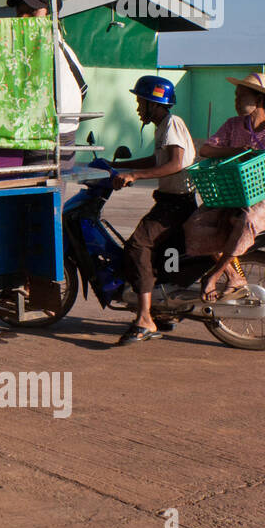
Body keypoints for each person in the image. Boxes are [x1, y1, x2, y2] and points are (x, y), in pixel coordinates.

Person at [182, 72, 265, 302]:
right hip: (234, 189)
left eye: (241, 97)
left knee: (246, 221)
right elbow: (206, 150)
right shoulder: (232, 125)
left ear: (258, 100)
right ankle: (233, 276)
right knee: (196, 224)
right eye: (236, 96)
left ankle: (214, 275)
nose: (236, 102)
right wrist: (237, 151)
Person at [111, 75, 198, 344]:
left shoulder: (171, 124)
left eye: (141, 102)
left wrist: (135, 176)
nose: (138, 107)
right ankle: (163, 312)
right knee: (160, 255)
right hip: (171, 200)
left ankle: (145, 318)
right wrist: (119, 167)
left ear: (155, 104)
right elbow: (156, 159)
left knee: (137, 246)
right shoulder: (163, 126)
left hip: (176, 203)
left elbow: (174, 164)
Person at [9, 0, 89, 168]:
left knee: (38, 193)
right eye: (20, 11)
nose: (24, 17)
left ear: (53, 15)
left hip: (48, 136)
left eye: (32, 11)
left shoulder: (44, 50)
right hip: (58, 133)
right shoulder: (62, 48)